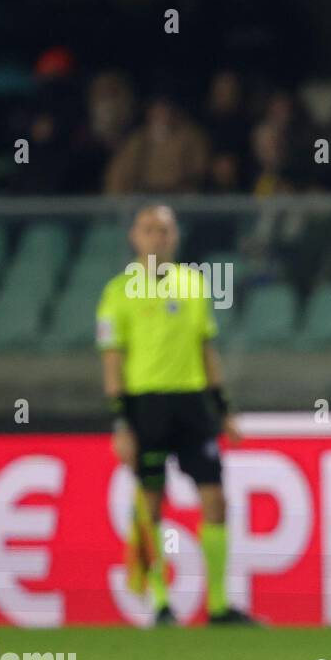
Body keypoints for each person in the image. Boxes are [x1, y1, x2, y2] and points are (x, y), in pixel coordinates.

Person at [96, 204, 260, 626]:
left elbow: (206, 349)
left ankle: (219, 605)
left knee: (215, 499)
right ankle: (160, 603)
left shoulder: (194, 284)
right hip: (146, 406)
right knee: (151, 504)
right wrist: (121, 423)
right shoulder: (118, 291)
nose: (158, 237)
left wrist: (224, 409)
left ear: (175, 237)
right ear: (135, 236)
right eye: (149, 229)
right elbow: (113, 361)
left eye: (165, 230)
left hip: (192, 404)